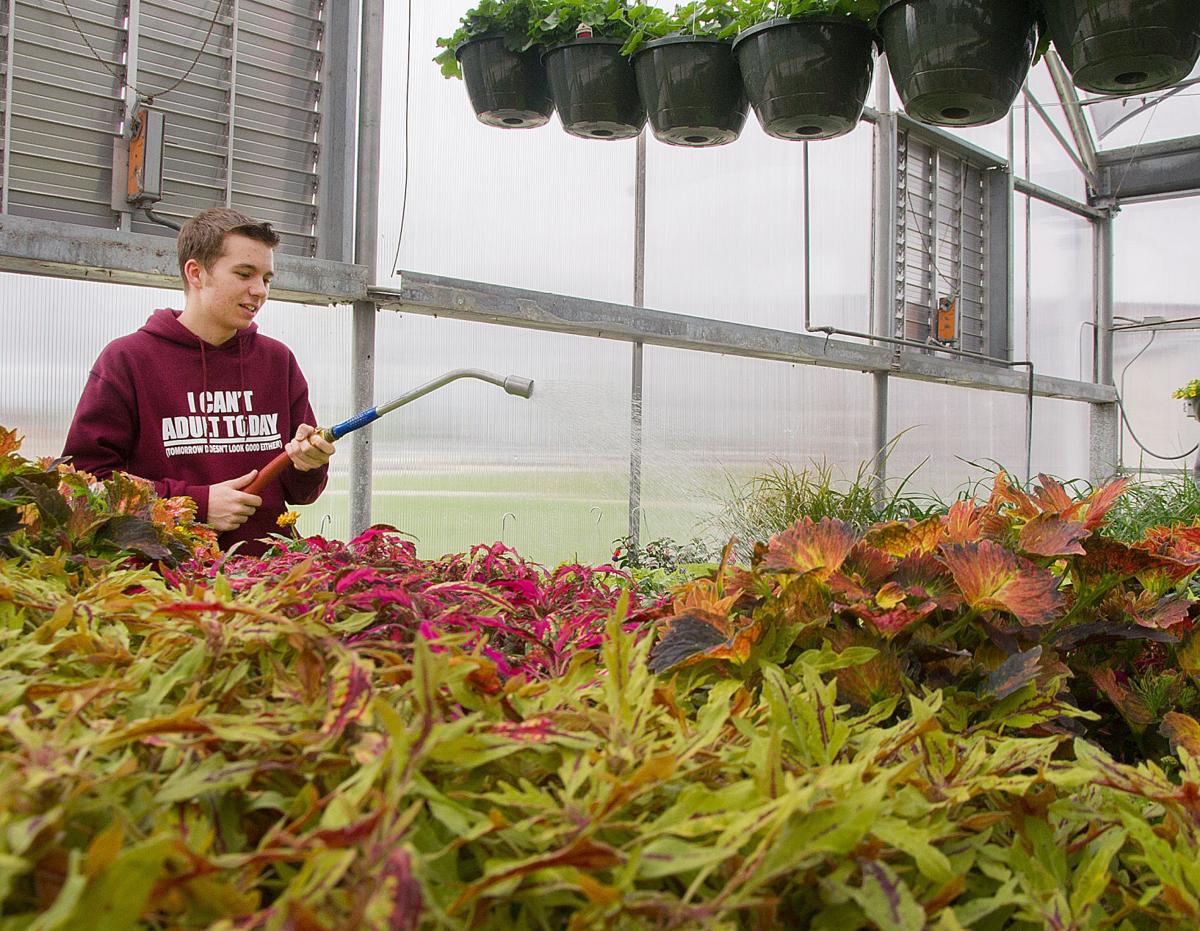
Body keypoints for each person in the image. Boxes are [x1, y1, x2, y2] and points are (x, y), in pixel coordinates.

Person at [63, 207, 335, 554]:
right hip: (164, 573)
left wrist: (309, 464)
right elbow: (84, 482)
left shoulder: (277, 361)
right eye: (244, 274)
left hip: (267, 573)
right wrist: (196, 504)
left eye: (267, 279)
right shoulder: (128, 360)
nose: (260, 290)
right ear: (196, 273)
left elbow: (302, 493)